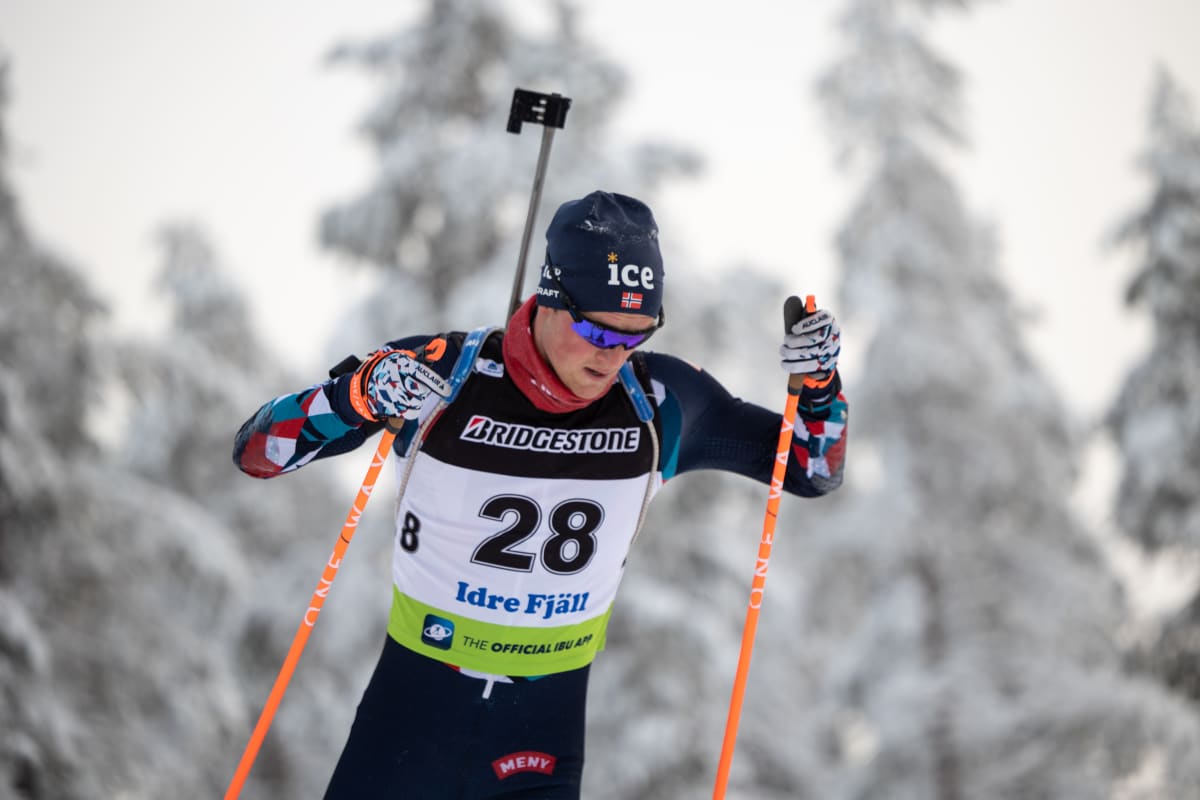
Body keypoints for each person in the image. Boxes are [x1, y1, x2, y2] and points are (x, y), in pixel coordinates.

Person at [233, 190, 847, 799]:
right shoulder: (448, 375)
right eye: (597, 331)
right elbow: (257, 451)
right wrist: (358, 396)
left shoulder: (658, 403)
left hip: (538, 742)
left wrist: (818, 386)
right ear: (550, 299)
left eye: (636, 336)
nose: (614, 357)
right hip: (413, 721)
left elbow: (812, 469)